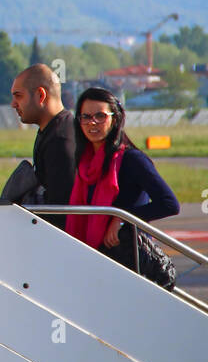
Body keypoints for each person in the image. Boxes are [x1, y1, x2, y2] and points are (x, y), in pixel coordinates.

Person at [66, 86, 179, 256]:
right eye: (86, 117)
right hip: (95, 255)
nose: (92, 122)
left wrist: (121, 218)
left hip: (128, 257)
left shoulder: (132, 159)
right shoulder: (84, 163)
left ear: (115, 119)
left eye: (100, 116)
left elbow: (169, 204)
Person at [10, 63, 78, 226]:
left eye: (18, 96)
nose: (13, 104)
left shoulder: (61, 140)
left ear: (41, 95)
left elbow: (60, 212)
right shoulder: (52, 130)